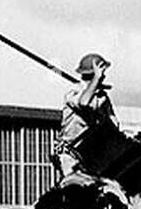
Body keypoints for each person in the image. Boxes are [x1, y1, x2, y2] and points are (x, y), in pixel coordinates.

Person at [51, 52, 118, 181]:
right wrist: (97, 78)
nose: (104, 75)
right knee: (75, 188)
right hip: (70, 155)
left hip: (91, 155)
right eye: (102, 72)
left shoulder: (102, 97)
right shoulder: (74, 92)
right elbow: (84, 103)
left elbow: (114, 125)